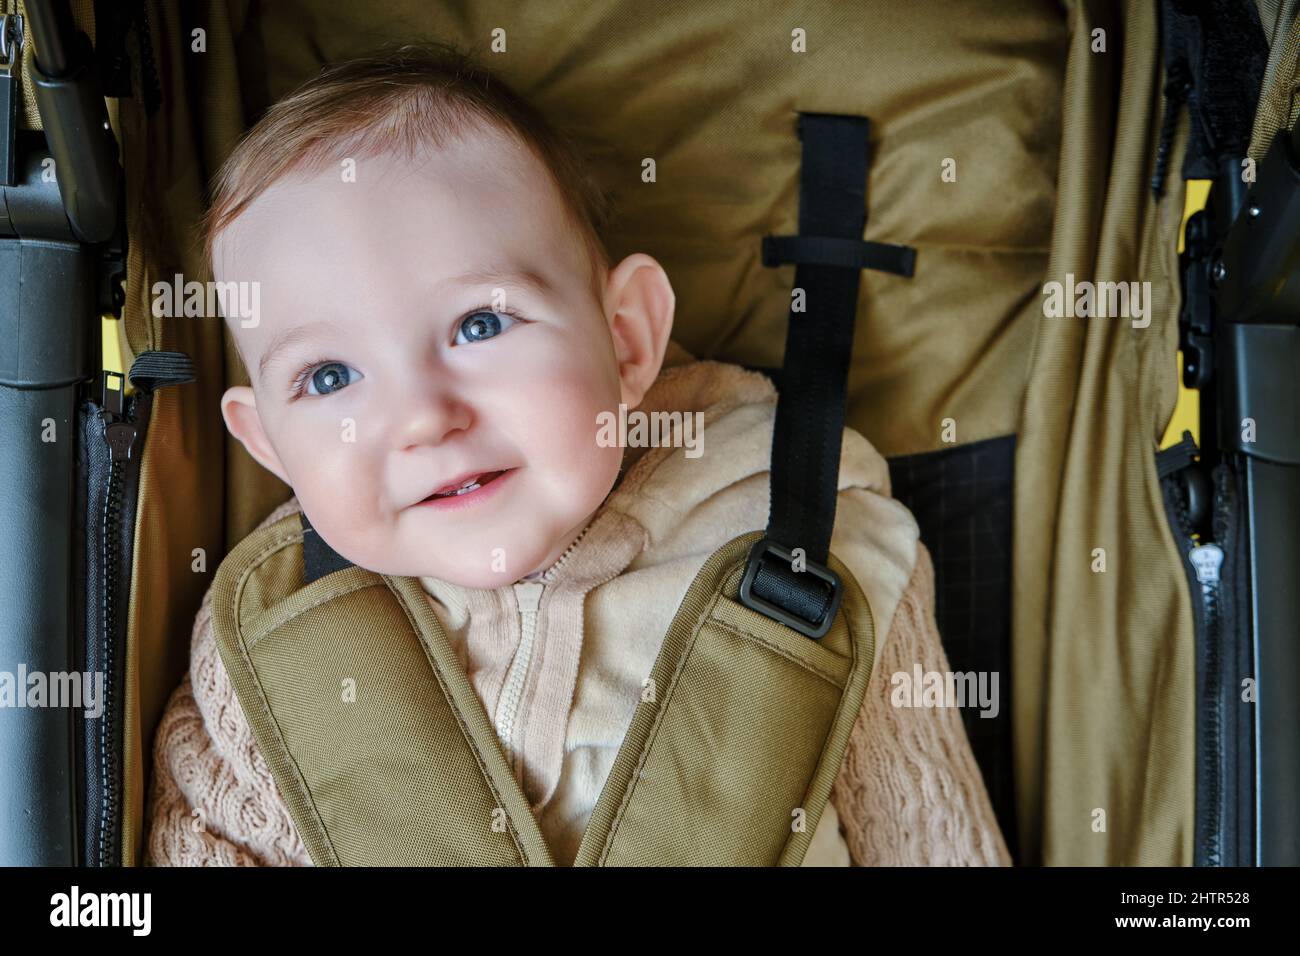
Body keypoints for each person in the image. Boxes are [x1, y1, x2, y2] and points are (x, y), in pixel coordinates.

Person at [145, 42, 1009, 867]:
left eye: (478, 324)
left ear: (627, 341)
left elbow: (926, 823)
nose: (422, 419)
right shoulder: (275, 645)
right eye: (329, 377)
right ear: (270, 445)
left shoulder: (816, 541)